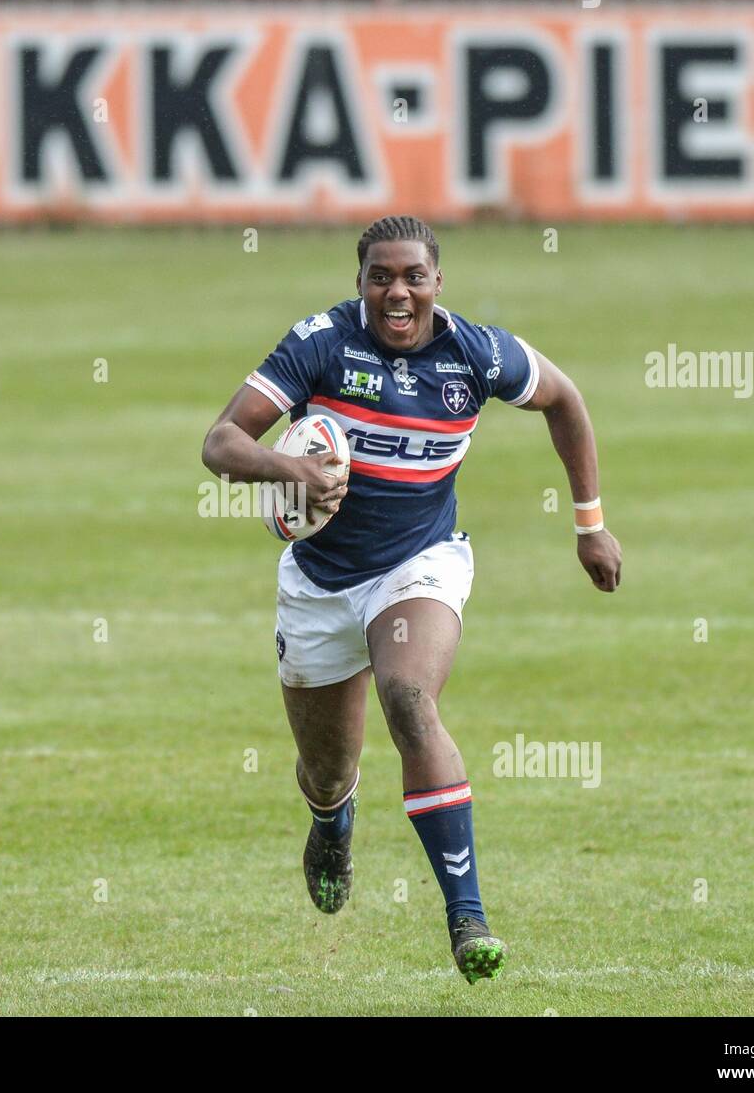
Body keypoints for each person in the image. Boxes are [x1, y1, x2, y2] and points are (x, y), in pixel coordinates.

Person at [202, 215, 621, 982]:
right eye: (380, 278)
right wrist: (287, 471)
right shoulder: (321, 344)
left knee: (408, 697)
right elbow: (221, 440)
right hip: (319, 583)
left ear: (437, 282)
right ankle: (332, 820)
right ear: (360, 283)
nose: (397, 292)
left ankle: (467, 917)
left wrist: (589, 524)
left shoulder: (478, 352)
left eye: (412, 277)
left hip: (419, 563)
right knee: (325, 770)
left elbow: (566, 400)